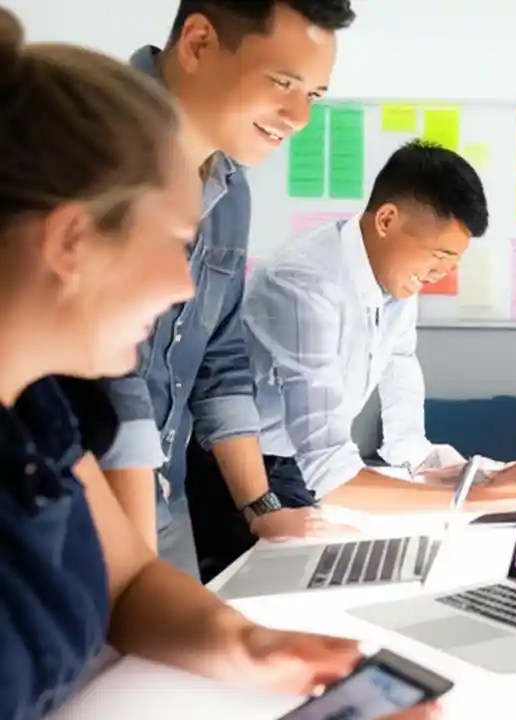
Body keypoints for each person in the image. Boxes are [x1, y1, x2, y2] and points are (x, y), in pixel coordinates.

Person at [0, 12, 437, 719]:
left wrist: (255, 649)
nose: (187, 289)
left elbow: (131, 586)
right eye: (173, 245)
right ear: (71, 240)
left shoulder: (40, 414)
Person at [188, 141, 516, 578]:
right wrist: (480, 500)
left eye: (454, 261)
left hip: (294, 464)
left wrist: (441, 470)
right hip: (240, 475)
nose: (442, 272)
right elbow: (330, 472)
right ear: (388, 219)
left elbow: (399, 361)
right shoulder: (306, 286)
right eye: (440, 256)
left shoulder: (393, 274)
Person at [97, 0, 355, 579]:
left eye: (312, 95)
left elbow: (219, 353)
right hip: (77, 501)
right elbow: (109, 377)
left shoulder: (231, 189)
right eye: (283, 83)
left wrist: (262, 508)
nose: (298, 117)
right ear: (198, 43)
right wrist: (142, 578)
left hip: (166, 498)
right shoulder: (91, 142)